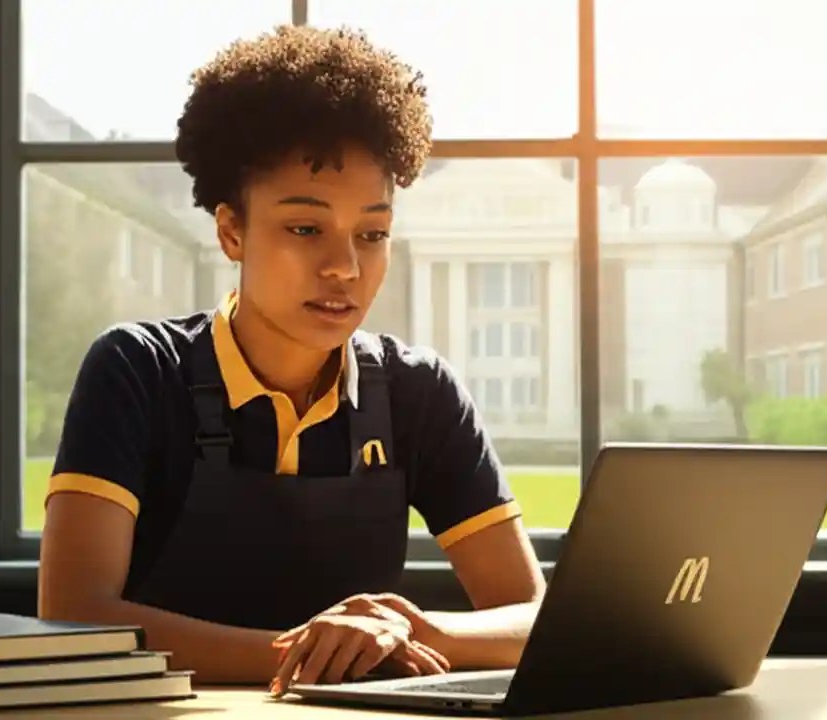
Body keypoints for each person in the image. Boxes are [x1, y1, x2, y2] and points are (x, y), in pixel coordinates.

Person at [37, 24, 545, 695]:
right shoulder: (137, 370)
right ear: (231, 231)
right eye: (305, 228)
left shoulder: (420, 394)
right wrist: (310, 657)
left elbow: (537, 618)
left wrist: (413, 633)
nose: (344, 266)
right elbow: (73, 615)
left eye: (372, 233)